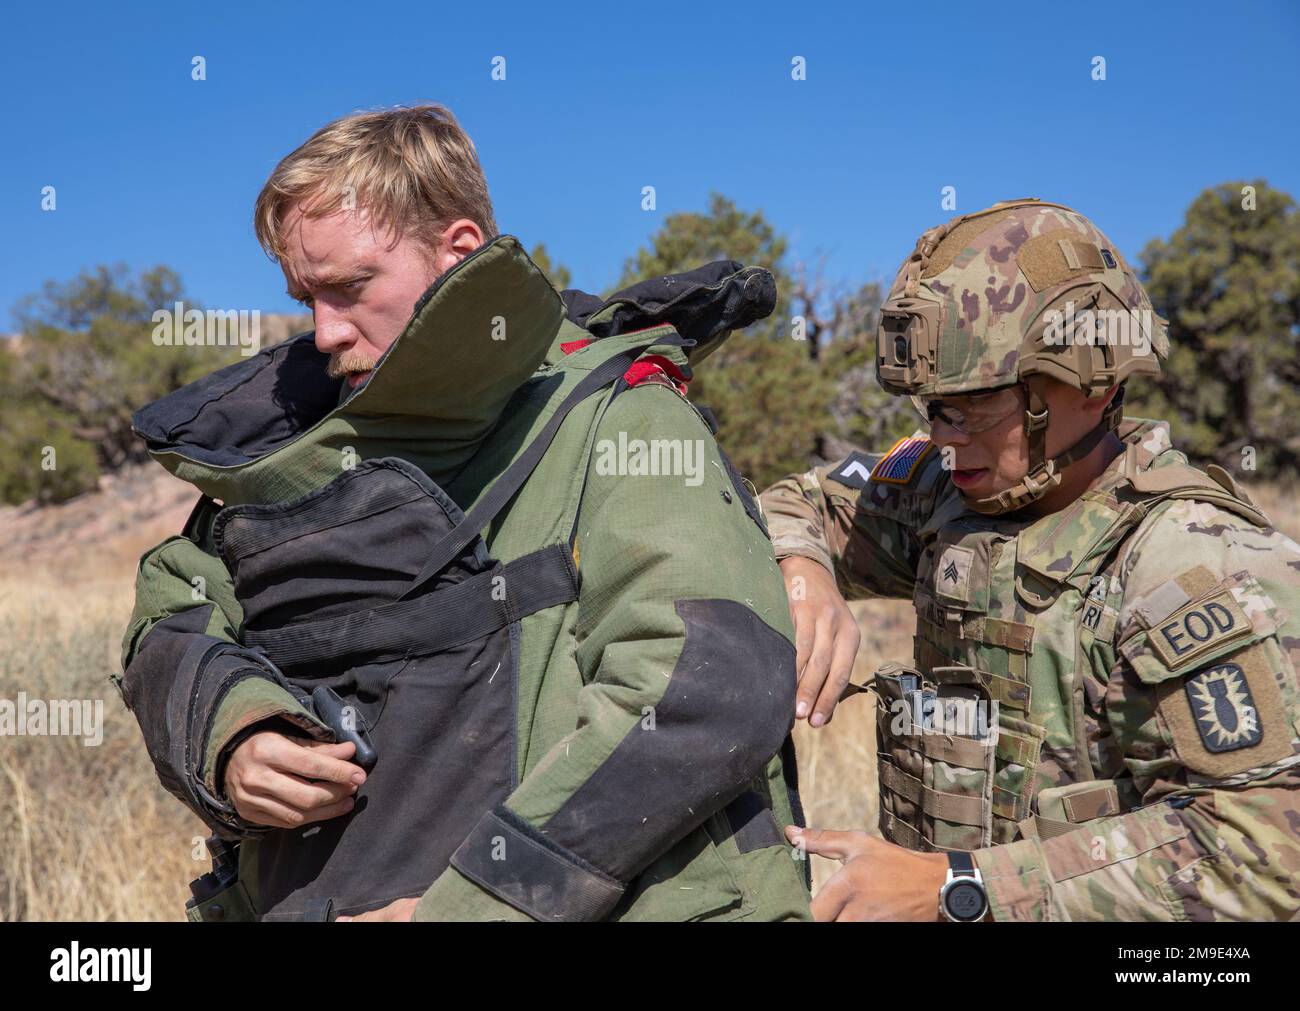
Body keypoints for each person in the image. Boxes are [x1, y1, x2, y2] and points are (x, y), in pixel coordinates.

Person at [116, 103, 811, 922]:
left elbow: (707, 690)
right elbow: (173, 607)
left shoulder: (616, 421)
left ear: (459, 253)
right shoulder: (305, 448)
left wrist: (469, 908)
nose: (325, 332)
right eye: (305, 296)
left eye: (350, 287)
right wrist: (232, 734)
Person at [760, 198, 1300, 922]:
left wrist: (962, 890)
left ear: (1093, 383)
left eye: (975, 407)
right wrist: (804, 570)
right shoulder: (942, 491)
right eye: (932, 410)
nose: (946, 440)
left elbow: (1262, 859)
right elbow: (795, 502)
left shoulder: (1193, 563)